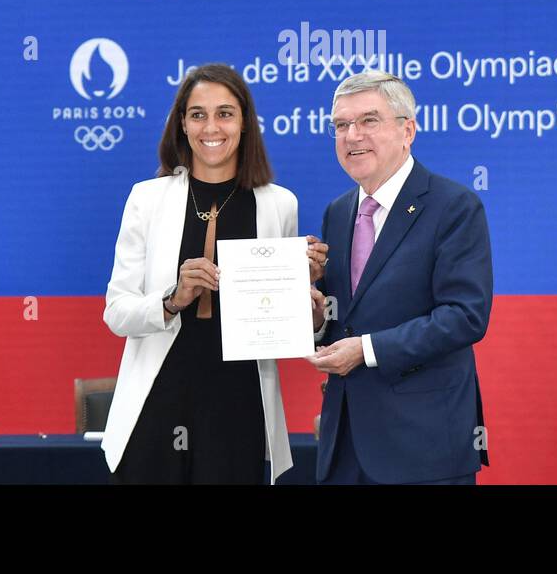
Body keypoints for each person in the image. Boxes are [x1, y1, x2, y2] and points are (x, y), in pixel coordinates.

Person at [102, 62, 322, 484]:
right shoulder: (146, 200)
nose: (211, 127)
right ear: (182, 124)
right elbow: (117, 313)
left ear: (244, 123)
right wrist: (172, 300)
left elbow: (288, 326)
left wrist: (306, 302)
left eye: (225, 113)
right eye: (197, 114)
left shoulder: (279, 205)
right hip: (158, 401)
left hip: (238, 404)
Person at [308, 70, 494, 484]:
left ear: (407, 130)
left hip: (423, 446)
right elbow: (342, 321)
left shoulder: (455, 206)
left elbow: (465, 316)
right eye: (341, 125)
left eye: (368, 120)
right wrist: (318, 317)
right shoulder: (337, 212)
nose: (352, 135)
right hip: (345, 445)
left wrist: (367, 349)